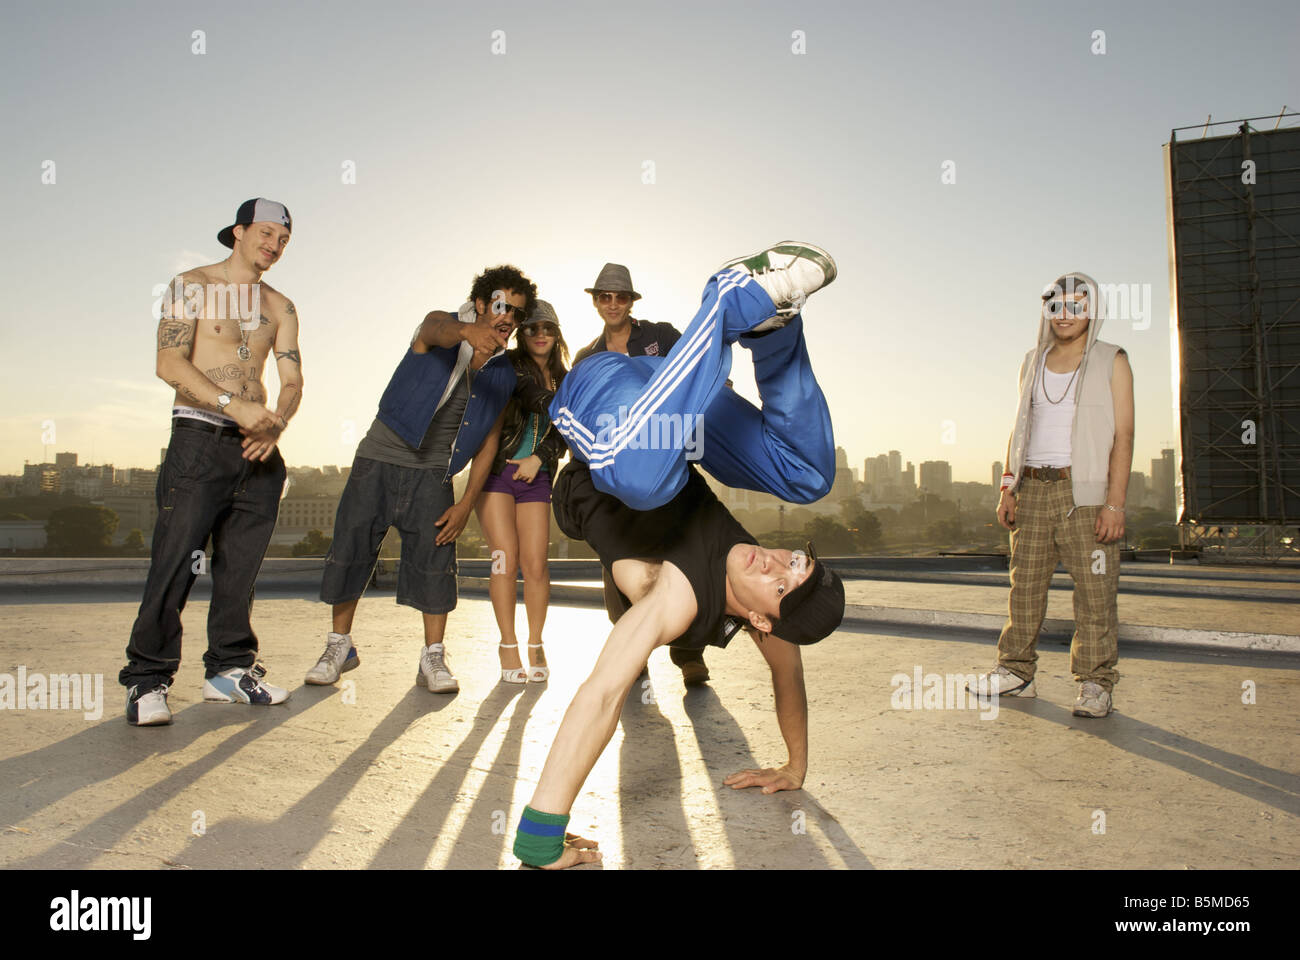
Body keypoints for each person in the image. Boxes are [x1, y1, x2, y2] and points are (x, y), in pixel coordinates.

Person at [511, 242, 847, 869]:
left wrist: (539, 838)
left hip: (608, 401)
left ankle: (731, 303)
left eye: (779, 582)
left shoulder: (678, 600)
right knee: (807, 475)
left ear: (763, 622)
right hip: (679, 397)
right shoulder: (758, 584)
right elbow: (789, 677)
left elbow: (604, 693)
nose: (770, 559)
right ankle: (770, 322)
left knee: (642, 478)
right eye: (790, 558)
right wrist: (797, 766)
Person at [303, 266, 539, 695]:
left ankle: (433, 655)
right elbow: (437, 329)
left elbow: (488, 444)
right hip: (378, 458)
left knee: (435, 565)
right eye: (502, 305)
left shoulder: (505, 373)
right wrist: (467, 332)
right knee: (351, 548)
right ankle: (339, 646)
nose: (509, 318)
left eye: (518, 313)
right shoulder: (442, 325)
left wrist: (466, 503)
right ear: (483, 303)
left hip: (434, 474)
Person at [121, 198, 302, 725]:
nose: (274, 244)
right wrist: (234, 405)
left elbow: (292, 381)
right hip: (200, 438)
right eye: (266, 232)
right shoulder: (191, 284)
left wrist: (275, 425)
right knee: (175, 562)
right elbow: (167, 362)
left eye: (284, 239)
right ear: (239, 232)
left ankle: (229, 671)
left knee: (239, 570)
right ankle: (147, 680)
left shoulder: (281, 307)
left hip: (258, 450)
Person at [974, 273, 1134, 718]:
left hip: (1085, 494)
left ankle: (1096, 682)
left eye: (1078, 306)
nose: (1067, 315)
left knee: (1095, 593)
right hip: (1033, 490)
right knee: (1023, 588)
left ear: (1092, 311)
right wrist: (1008, 488)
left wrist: (1115, 503)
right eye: (1057, 305)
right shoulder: (1032, 360)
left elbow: (1124, 434)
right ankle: (1016, 673)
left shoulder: (1111, 360)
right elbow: (1019, 428)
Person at [574, 263, 712, 686]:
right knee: (621, 559)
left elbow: (697, 373)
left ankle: (689, 652)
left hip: (668, 463)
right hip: (615, 476)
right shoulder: (587, 358)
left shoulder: (661, 336)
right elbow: (580, 415)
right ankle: (636, 657)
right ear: (596, 301)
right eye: (604, 296)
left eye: (620, 297)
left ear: (632, 302)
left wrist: (700, 435)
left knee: (679, 553)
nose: (612, 304)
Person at [475, 300, 570, 683]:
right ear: (522, 333)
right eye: (531, 327)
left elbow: (566, 431)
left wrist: (539, 458)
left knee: (536, 564)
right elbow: (527, 394)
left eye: (547, 327)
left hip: (537, 476)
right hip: (497, 471)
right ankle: (508, 644)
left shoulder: (567, 377)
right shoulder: (508, 364)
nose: (540, 334)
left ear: (556, 332)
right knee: (504, 558)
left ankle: (535, 642)